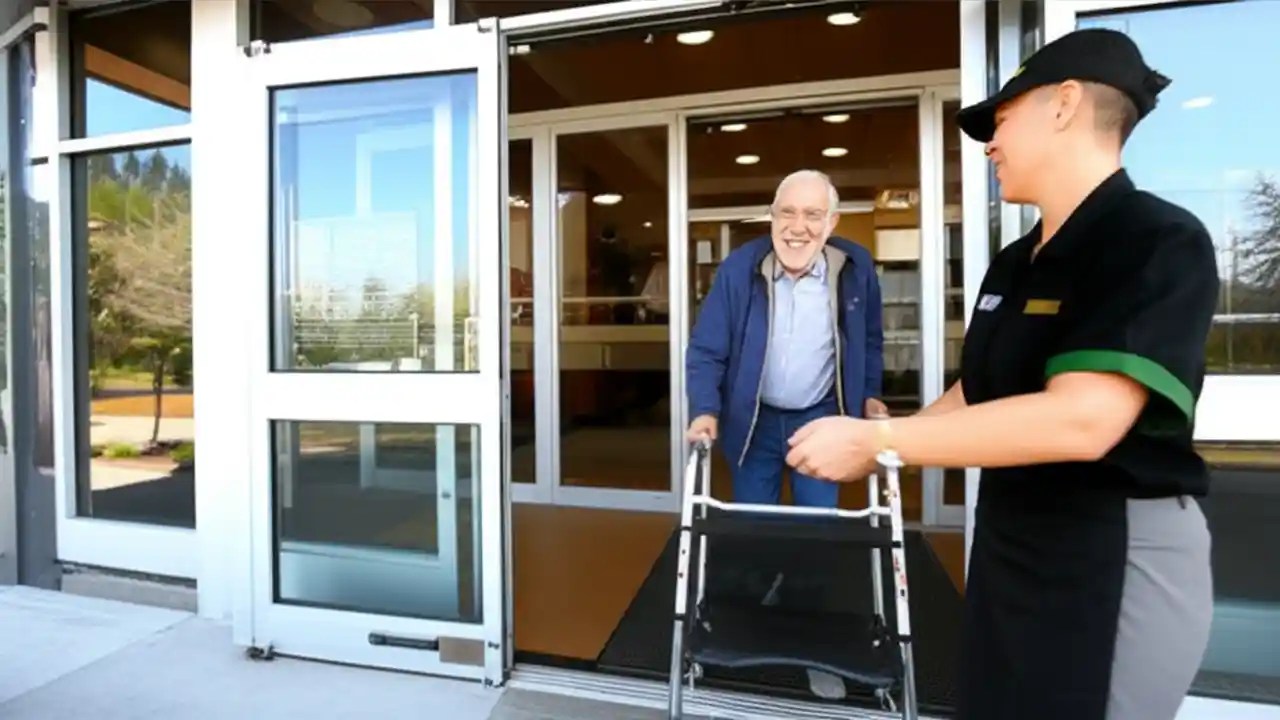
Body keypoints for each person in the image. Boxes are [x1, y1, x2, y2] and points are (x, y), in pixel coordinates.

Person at [783, 29, 1218, 720]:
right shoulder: (1017, 262)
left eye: (1002, 119)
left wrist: (881, 443)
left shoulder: (1153, 241)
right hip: (1012, 542)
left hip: (1110, 550)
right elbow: (977, 391)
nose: (989, 144)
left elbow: (1084, 419)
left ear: (1064, 104)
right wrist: (887, 441)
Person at [684, 169, 886, 700]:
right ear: (771, 218)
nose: (798, 227)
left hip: (821, 418)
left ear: (832, 222)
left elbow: (870, 342)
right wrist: (705, 410)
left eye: (813, 215)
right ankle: (753, 638)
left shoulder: (854, 268)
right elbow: (706, 350)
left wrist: (868, 397)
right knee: (756, 532)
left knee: (817, 537)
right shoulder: (740, 268)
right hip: (753, 421)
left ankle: (813, 649)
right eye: (787, 213)